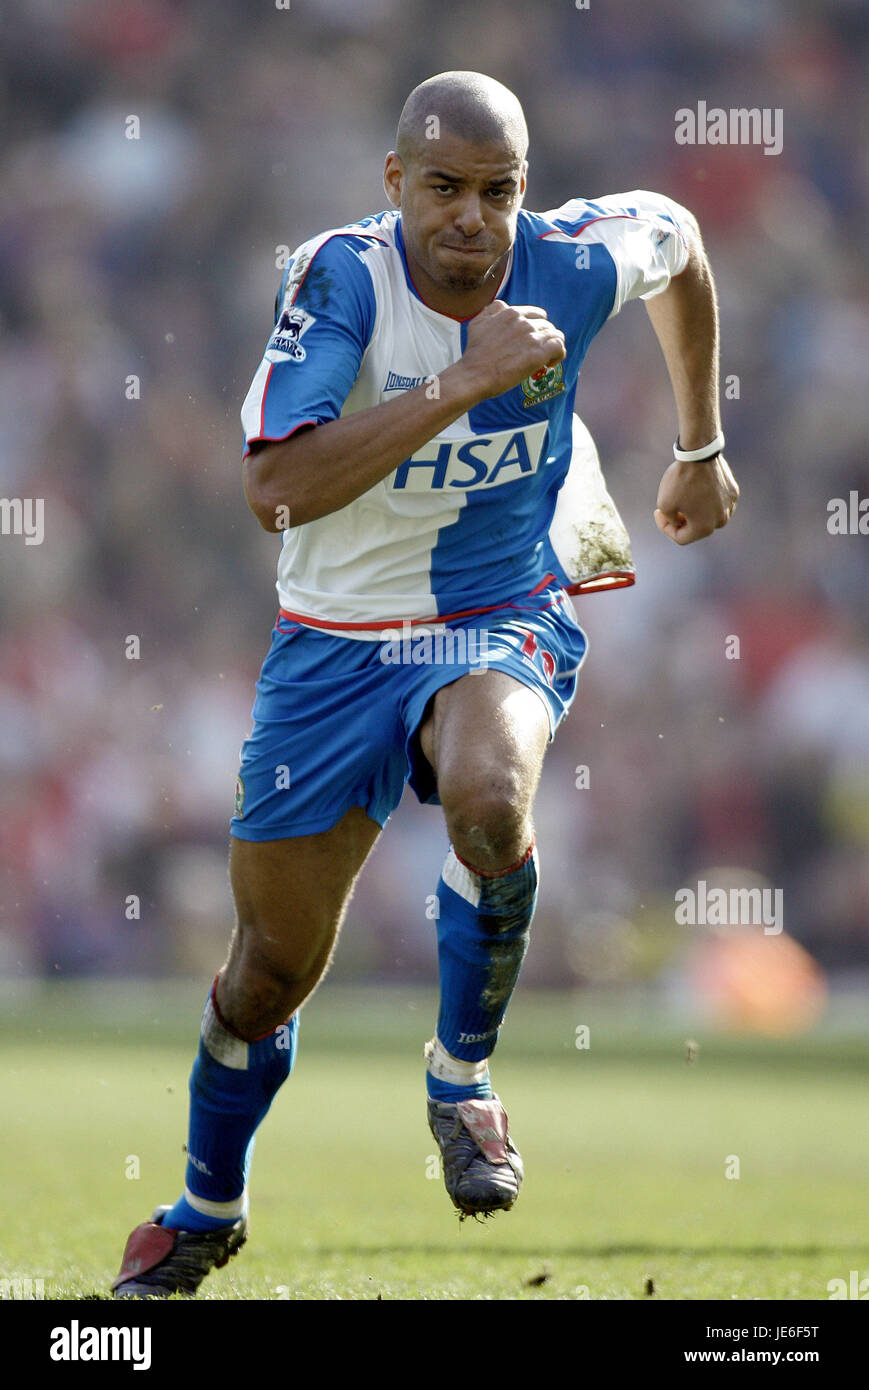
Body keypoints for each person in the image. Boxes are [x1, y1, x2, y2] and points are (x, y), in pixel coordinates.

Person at [112, 70, 738, 1297]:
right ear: (394, 184)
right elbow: (272, 491)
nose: (470, 217)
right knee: (266, 973)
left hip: (500, 605)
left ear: (524, 192)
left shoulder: (575, 258)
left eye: (497, 192)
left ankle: (461, 1079)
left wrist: (700, 447)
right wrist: (460, 383)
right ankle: (205, 1205)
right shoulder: (338, 280)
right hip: (333, 639)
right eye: (443, 188)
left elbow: (684, 242)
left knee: (490, 797)